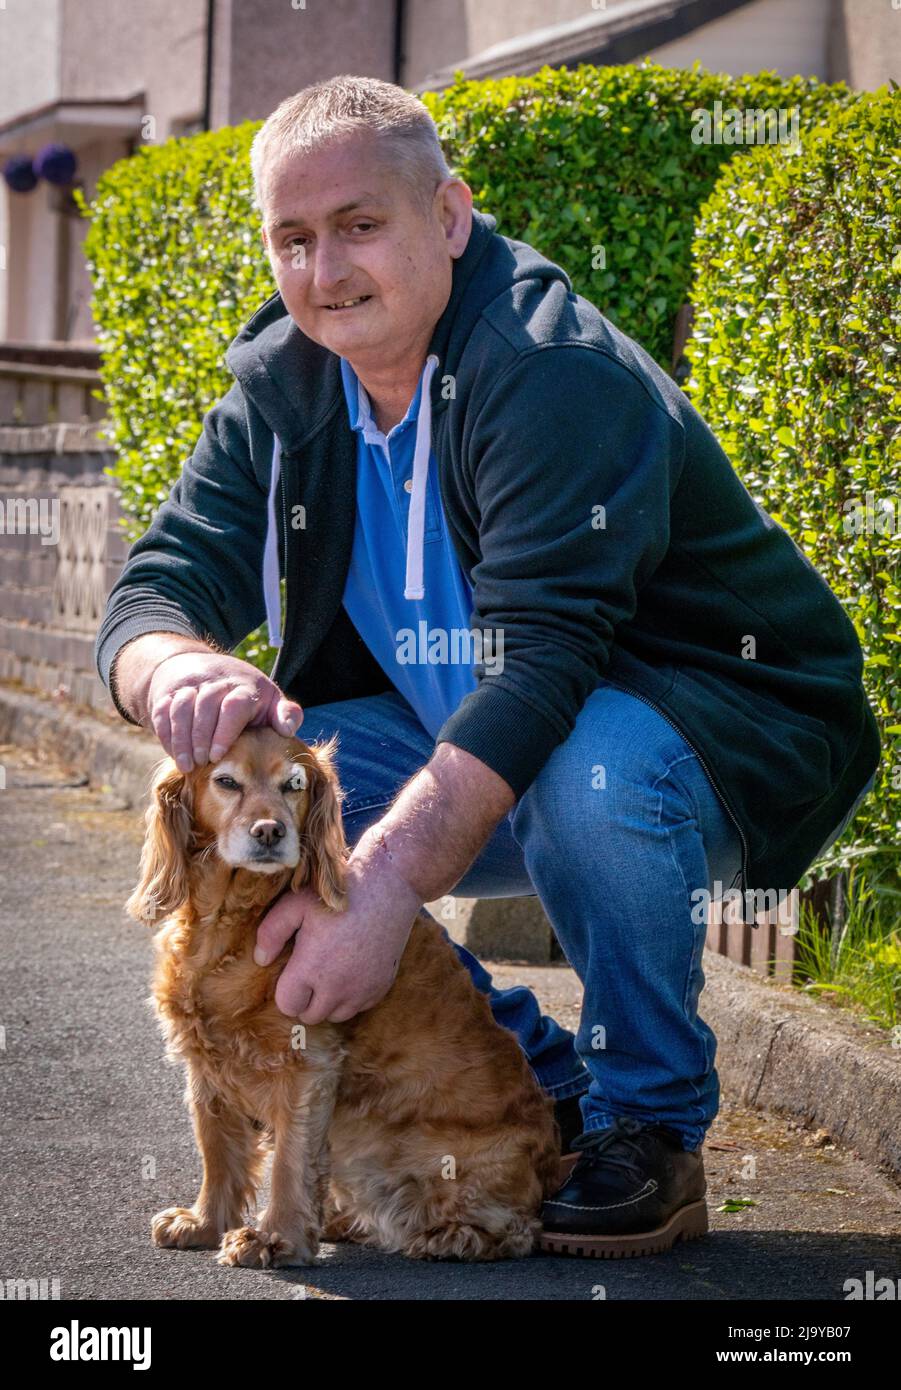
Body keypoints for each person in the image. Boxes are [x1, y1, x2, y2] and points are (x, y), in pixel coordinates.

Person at [95, 75, 881, 1258]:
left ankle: (648, 1129)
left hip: (709, 726)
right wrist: (169, 670)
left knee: (587, 772)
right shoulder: (283, 382)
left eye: (360, 225)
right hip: (482, 724)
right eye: (293, 240)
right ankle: (534, 1069)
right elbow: (157, 580)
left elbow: (544, 668)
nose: (325, 271)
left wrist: (385, 891)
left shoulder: (546, 372)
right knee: (304, 783)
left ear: (449, 218)